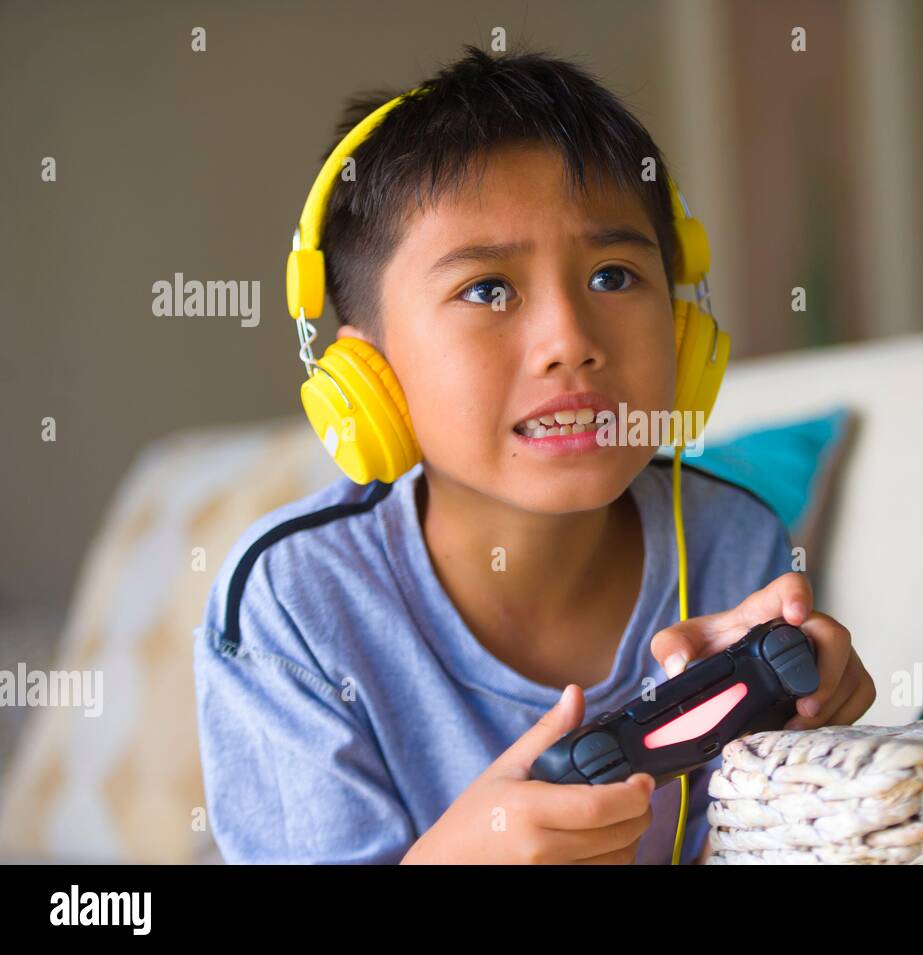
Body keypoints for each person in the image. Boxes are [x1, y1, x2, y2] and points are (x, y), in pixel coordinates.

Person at [193, 44, 874, 865]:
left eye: (615, 276)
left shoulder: (732, 540)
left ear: (683, 329)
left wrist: (811, 724)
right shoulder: (293, 603)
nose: (569, 342)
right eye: (487, 289)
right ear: (366, 375)